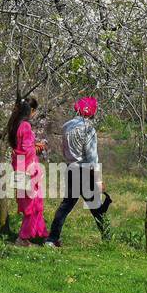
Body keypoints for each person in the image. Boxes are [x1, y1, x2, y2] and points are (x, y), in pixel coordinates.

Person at [44, 96, 111, 248]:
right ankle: (107, 238)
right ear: (92, 112)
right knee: (95, 206)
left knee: (66, 206)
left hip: (71, 168)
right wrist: (99, 180)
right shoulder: (89, 129)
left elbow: (64, 148)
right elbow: (92, 156)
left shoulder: (67, 126)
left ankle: (51, 239)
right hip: (85, 170)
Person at [7, 95, 48, 246]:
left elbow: (18, 147)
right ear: (30, 110)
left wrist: (33, 145)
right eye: (34, 111)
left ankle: (41, 235)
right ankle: (23, 237)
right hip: (29, 171)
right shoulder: (25, 126)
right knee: (32, 205)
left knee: (35, 204)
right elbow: (26, 150)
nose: (34, 114)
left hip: (20, 169)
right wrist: (36, 147)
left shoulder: (15, 124)